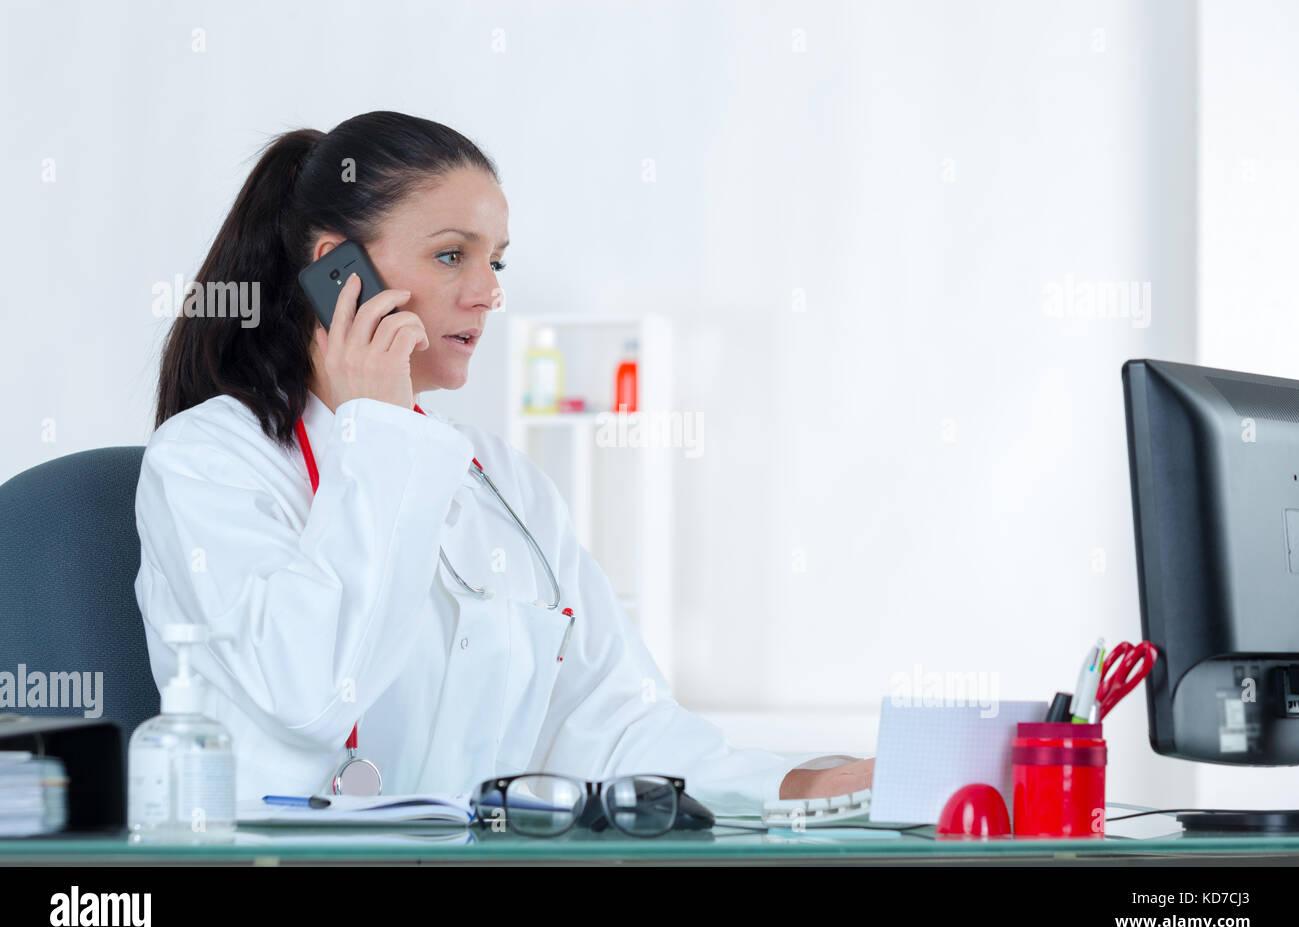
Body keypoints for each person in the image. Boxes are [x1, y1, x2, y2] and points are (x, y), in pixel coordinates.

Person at [135, 110, 873, 816]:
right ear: (340, 272)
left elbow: (615, 724)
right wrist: (379, 431)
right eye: (452, 255)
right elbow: (312, 694)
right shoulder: (206, 463)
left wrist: (812, 783)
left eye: (497, 261)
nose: (489, 293)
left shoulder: (498, 479)